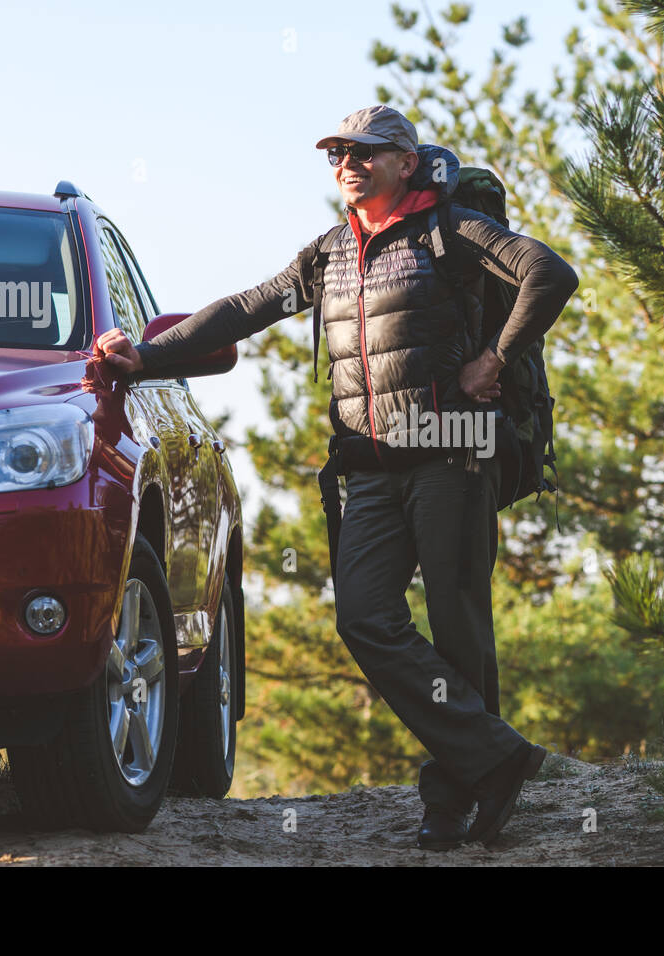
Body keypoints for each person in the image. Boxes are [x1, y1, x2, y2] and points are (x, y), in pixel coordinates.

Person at [96, 105, 578, 849]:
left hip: (454, 451)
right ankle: (495, 758)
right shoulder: (331, 254)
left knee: (458, 631)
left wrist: (495, 361)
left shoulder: (449, 231)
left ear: (405, 163)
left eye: (362, 153)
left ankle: (452, 801)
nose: (346, 165)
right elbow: (247, 308)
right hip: (373, 469)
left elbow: (549, 272)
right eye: (336, 155)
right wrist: (147, 357)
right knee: (362, 614)